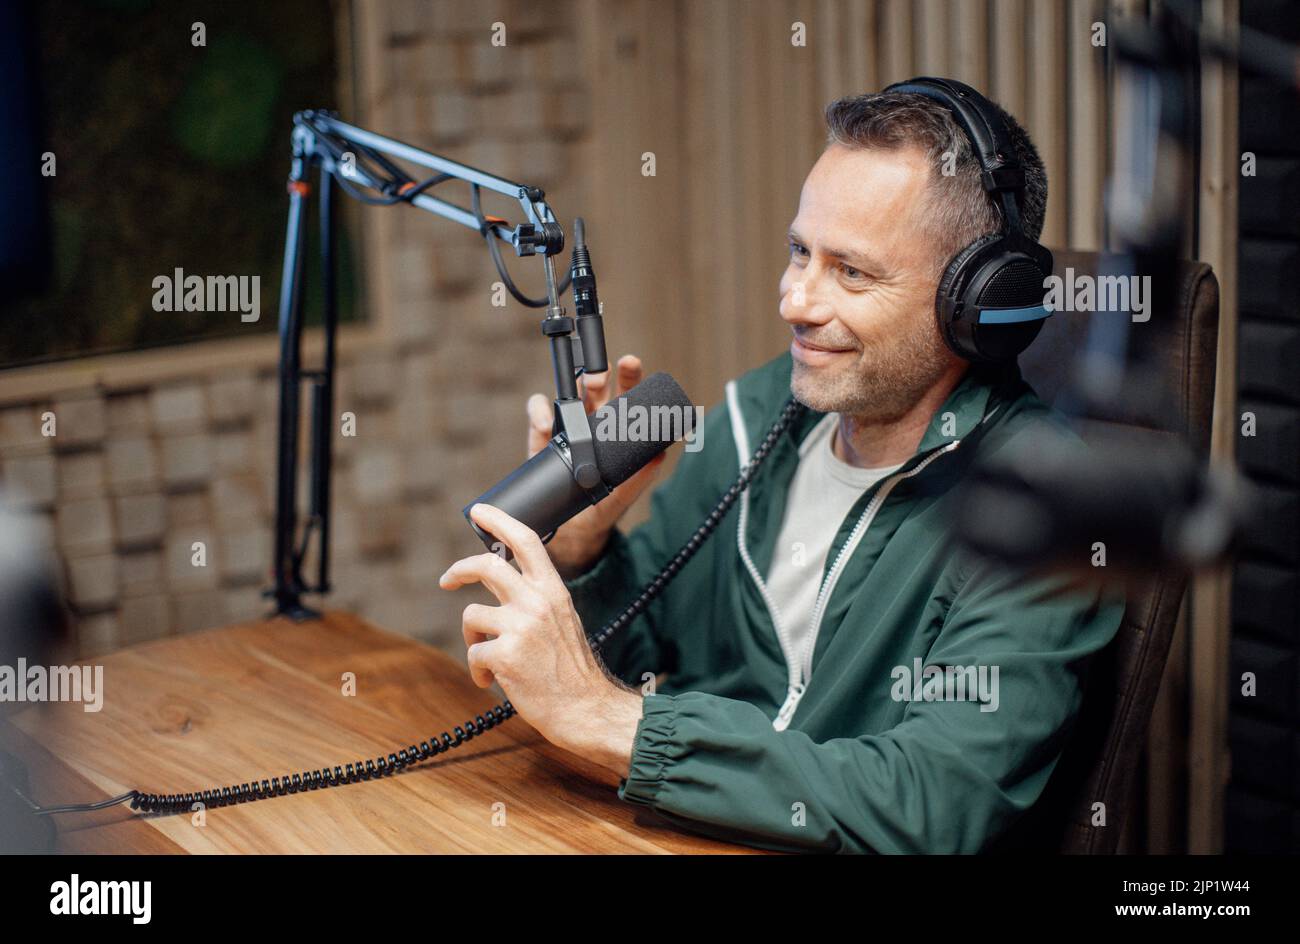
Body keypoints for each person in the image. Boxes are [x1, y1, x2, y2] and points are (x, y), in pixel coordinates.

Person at [439, 81, 1124, 853]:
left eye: (852, 273)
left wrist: (612, 724)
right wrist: (583, 550)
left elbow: (935, 804)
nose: (796, 301)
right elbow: (627, 652)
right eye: (801, 252)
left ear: (979, 301)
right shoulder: (759, 413)